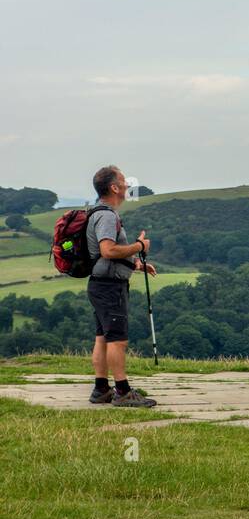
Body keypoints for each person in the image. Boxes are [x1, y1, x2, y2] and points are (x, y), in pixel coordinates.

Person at [86, 165, 158, 408]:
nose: (127, 185)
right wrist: (139, 246)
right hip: (110, 288)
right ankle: (123, 392)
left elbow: (106, 255)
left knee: (102, 338)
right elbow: (107, 250)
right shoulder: (107, 215)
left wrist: (135, 265)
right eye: (124, 181)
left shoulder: (98, 212)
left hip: (100, 285)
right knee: (117, 340)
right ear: (114, 187)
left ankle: (101, 390)